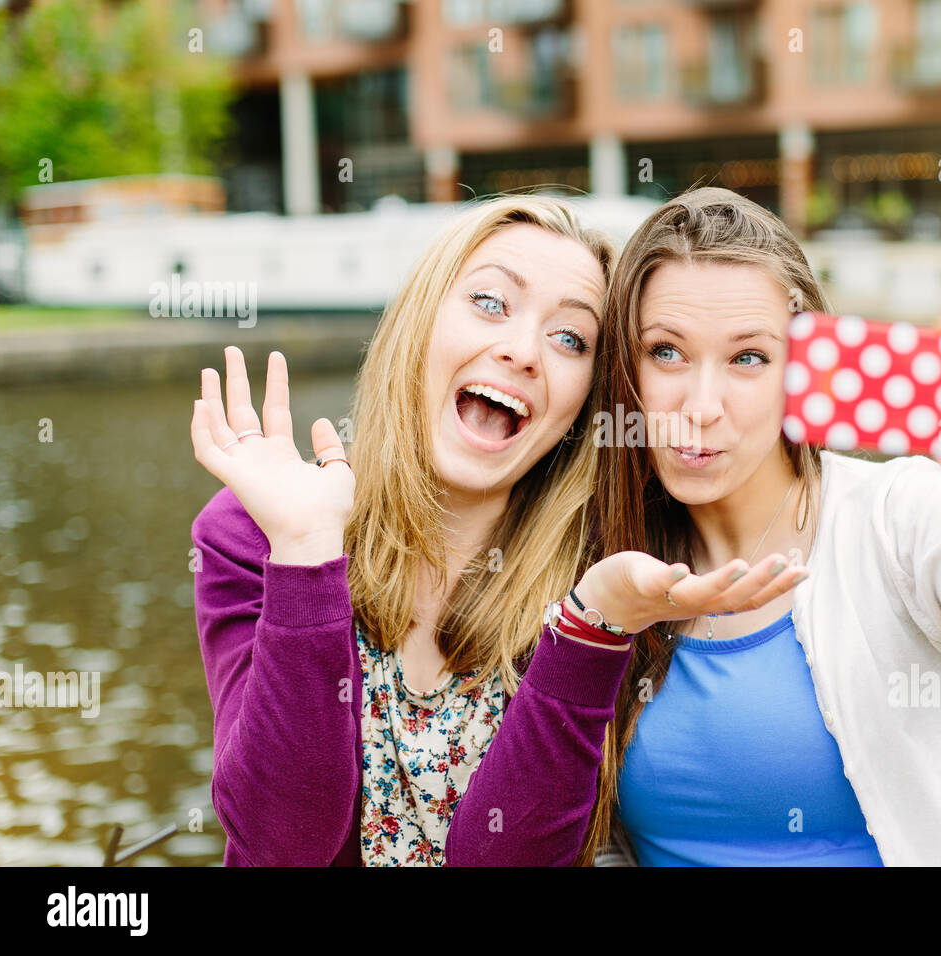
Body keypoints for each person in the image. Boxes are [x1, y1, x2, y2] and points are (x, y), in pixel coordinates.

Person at [446, 187, 941, 866]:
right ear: (624, 371)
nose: (700, 404)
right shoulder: (596, 562)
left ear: (803, 370)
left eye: (748, 358)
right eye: (665, 351)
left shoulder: (898, 521)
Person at [191, 195, 621, 866]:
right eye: (490, 303)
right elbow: (283, 841)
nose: (522, 351)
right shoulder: (252, 532)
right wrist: (304, 555)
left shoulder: (602, 582)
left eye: (571, 338)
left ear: (584, 400)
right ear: (419, 323)